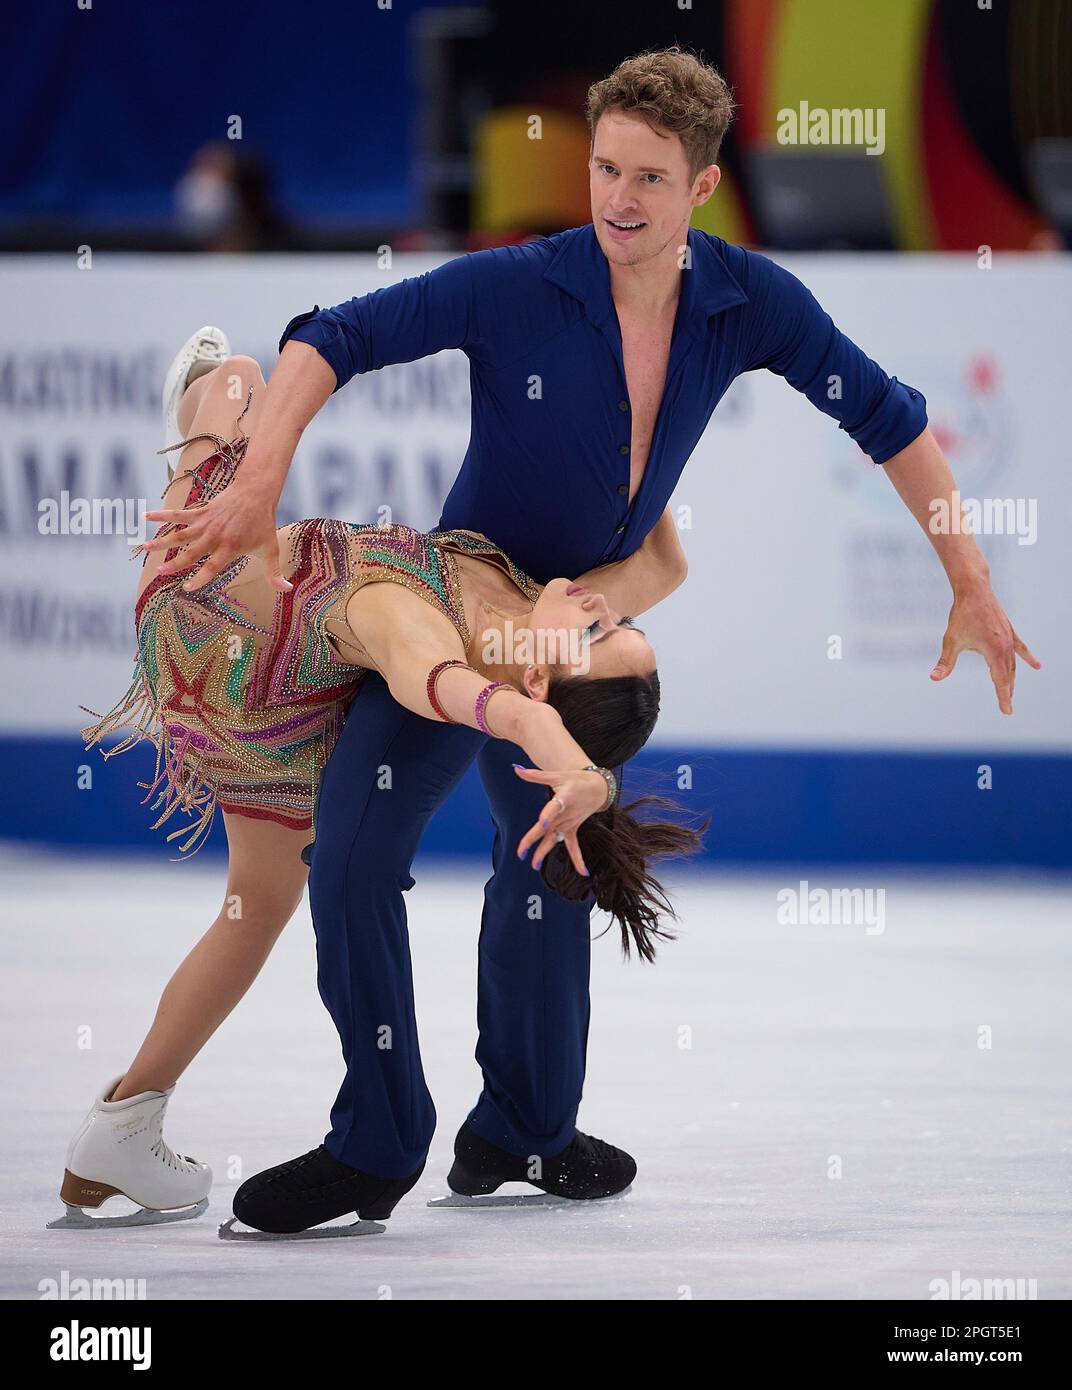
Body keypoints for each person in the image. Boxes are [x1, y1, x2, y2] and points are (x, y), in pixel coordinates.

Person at [136, 47, 1039, 1235]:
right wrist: (257, 484)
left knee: (555, 861)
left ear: (702, 188)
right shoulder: (521, 283)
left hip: (567, 634)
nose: (616, 197)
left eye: (648, 179)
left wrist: (969, 579)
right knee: (352, 860)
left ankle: (517, 1128)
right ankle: (375, 1138)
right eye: (606, 167)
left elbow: (891, 421)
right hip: (451, 604)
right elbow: (329, 334)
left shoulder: (748, 301)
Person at [54, 329, 697, 1231]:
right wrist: (631, 422)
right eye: (614, 616)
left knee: (233, 377)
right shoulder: (536, 610)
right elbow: (664, 563)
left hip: (200, 595)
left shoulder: (424, 631)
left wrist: (547, 739)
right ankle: (124, 1123)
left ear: (546, 681)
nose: (598, 603)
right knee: (256, 908)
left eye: (596, 630)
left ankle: (201, 426)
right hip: (271, 719)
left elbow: (460, 693)